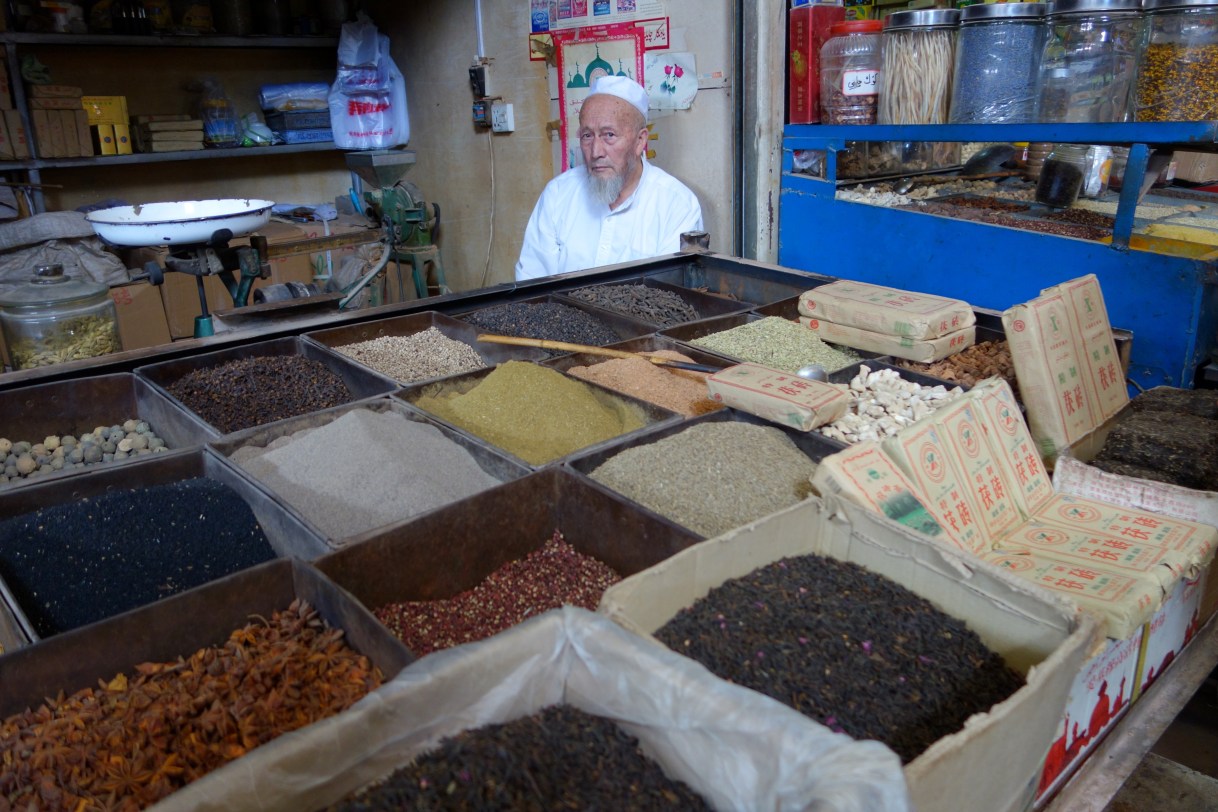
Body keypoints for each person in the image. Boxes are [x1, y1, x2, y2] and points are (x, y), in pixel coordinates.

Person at [514, 75, 703, 281]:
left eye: (609, 135)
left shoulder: (677, 205)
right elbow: (531, 285)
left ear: (640, 141)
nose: (595, 152)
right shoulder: (558, 195)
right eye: (587, 135)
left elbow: (673, 297)